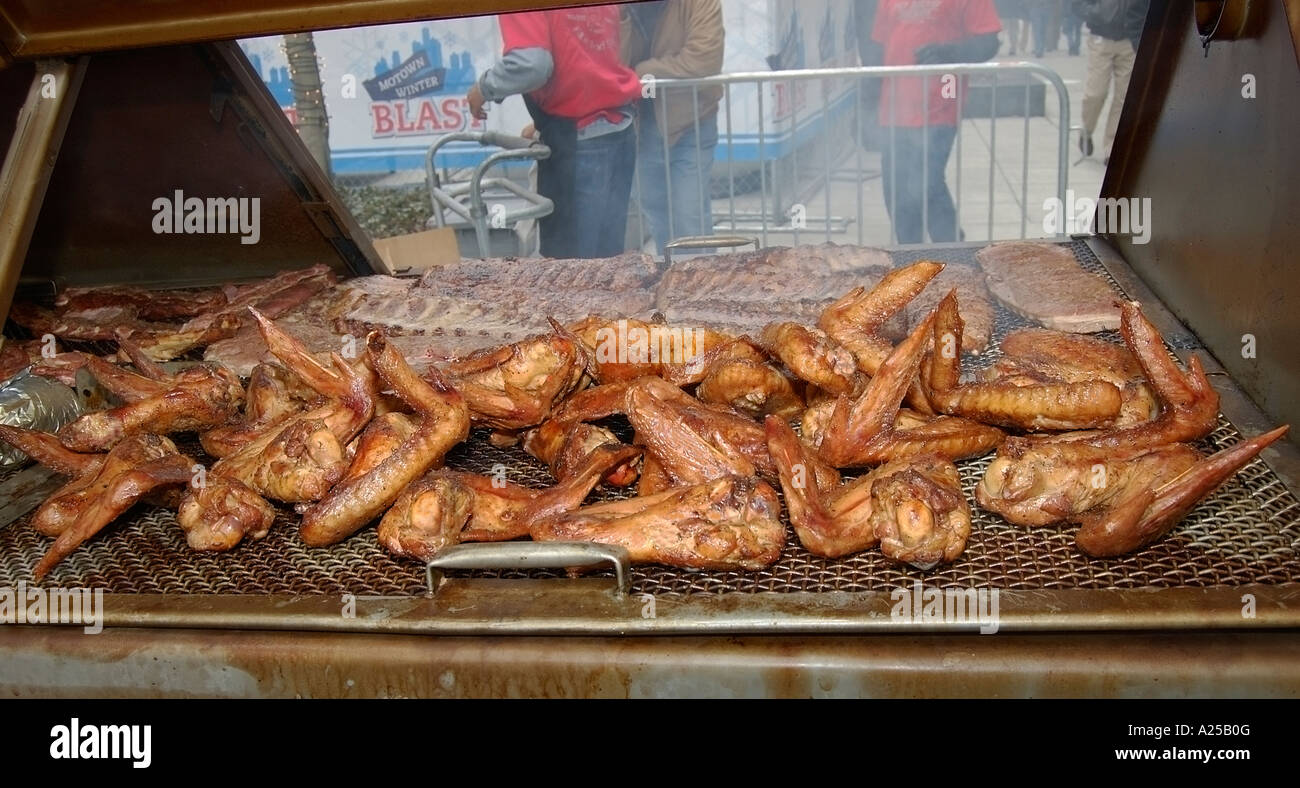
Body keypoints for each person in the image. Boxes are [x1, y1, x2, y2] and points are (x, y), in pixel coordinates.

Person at [467, 6, 642, 258]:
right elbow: (587, 58)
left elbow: (532, 65)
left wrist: (482, 88)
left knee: (571, 273)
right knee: (606, 264)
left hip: (578, 143)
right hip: (617, 130)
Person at [873, 0, 1001, 245]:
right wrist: (867, 101)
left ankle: (953, 253)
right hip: (893, 106)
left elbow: (988, 41)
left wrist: (951, 52)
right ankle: (910, 255)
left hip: (941, 102)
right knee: (896, 188)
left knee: (927, 182)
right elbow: (878, 45)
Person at [621, 0, 725, 253]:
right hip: (640, 127)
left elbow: (703, 60)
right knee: (657, 213)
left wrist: (642, 72)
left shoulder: (700, 3)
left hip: (690, 123)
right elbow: (612, 64)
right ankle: (673, 278)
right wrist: (621, 17)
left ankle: (700, 285)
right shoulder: (620, 10)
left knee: (689, 216)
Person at [1075, 0, 1149, 161]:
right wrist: (1097, 14)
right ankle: (1086, 130)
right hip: (1101, 37)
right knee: (1095, 94)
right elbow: (1077, 4)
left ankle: (1112, 147)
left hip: (1129, 39)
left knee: (1124, 97)